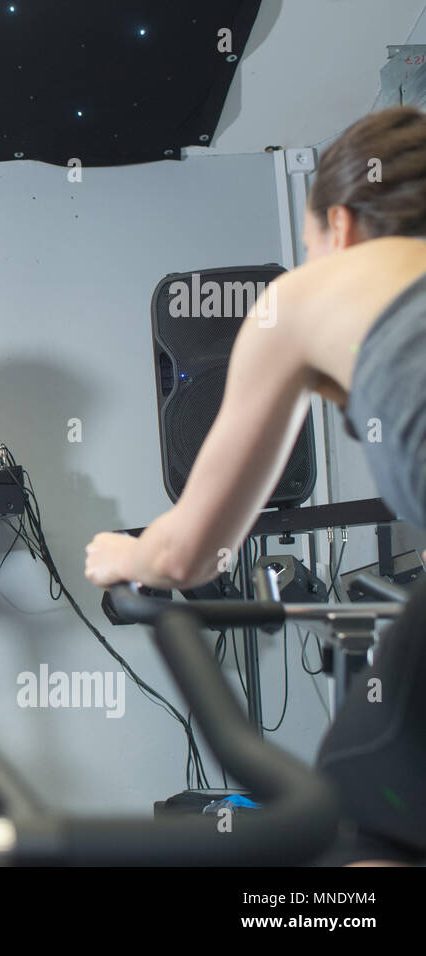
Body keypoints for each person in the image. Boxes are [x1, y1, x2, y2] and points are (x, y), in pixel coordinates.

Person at [84, 105, 426, 864]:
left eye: (307, 247)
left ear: (338, 227)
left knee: (364, 800)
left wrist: (122, 555)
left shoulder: (300, 300)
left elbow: (187, 557)